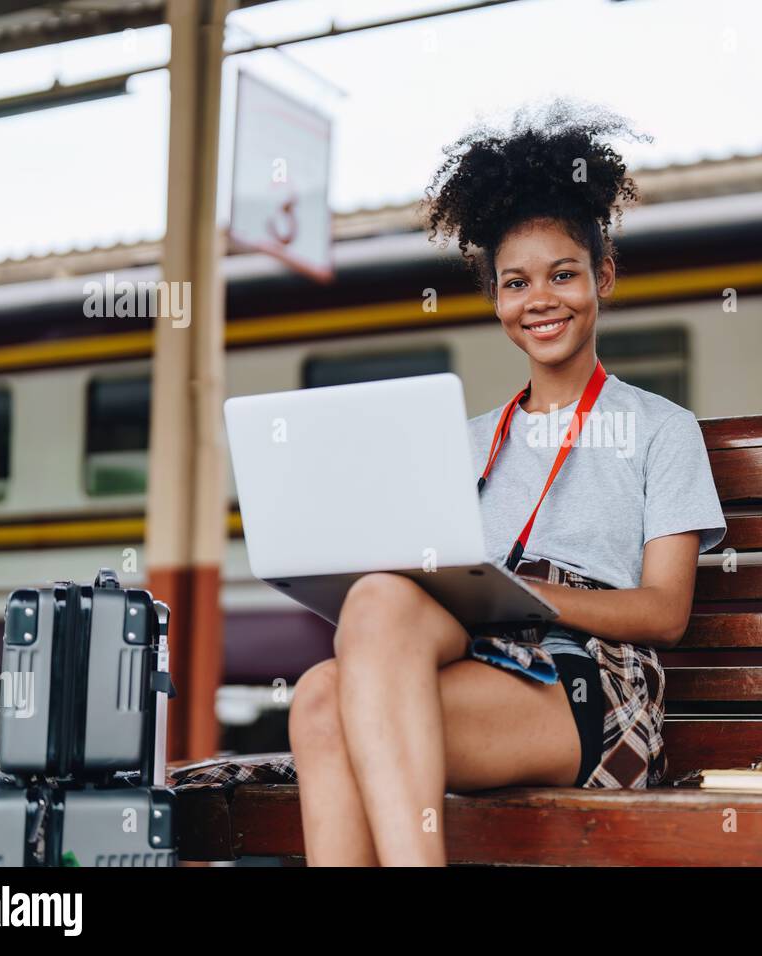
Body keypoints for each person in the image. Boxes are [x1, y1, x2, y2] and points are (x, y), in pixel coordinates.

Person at [287, 99, 726, 866]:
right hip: (482, 653)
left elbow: (666, 613)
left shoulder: (663, 428)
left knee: (333, 702)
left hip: (592, 678)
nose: (540, 300)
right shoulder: (466, 441)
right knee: (353, 638)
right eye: (515, 283)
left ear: (605, 277)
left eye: (563, 274)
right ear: (496, 299)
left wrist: (531, 596)